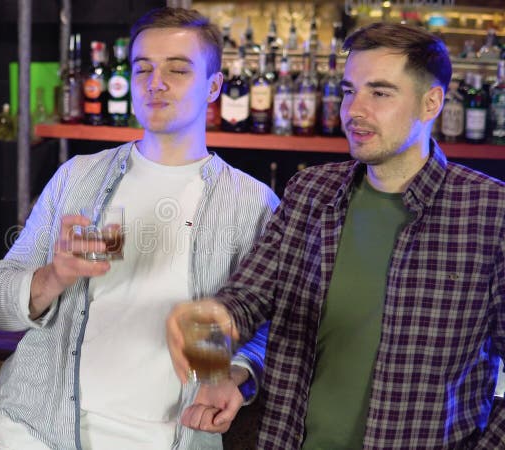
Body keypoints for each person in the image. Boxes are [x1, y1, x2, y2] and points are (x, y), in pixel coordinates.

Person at [167, 22, 505, 449]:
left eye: (379, 93)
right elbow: (245, 300)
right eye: (348, 91)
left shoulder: (490, 212)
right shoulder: (311, 192)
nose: (353, 110)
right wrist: (210, 338)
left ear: (431, 103)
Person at [0, 7, 278, 450]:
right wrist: (54, 277)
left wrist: (233, 374)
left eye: (177, 69)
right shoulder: (79, 176)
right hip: (37, 432)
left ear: (214, 87)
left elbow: (269, 331)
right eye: (143, 68)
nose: (154, 82)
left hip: (170, 438)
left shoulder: (253, 203)